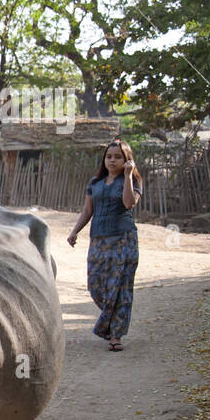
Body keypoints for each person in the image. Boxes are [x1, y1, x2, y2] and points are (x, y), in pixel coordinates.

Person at [67, 139, 143, 351]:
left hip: (124, 239)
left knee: (120, 288)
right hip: (98, 239)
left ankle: (115, 335)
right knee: (96, 286)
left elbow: (129, 203)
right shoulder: (95, 183)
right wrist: (74, 232)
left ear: (127, 160)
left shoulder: (134, 180)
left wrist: (127, 176)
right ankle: (111, 324)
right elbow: (87, 211)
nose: (112, 160)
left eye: (118, 157)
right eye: (109, 156)